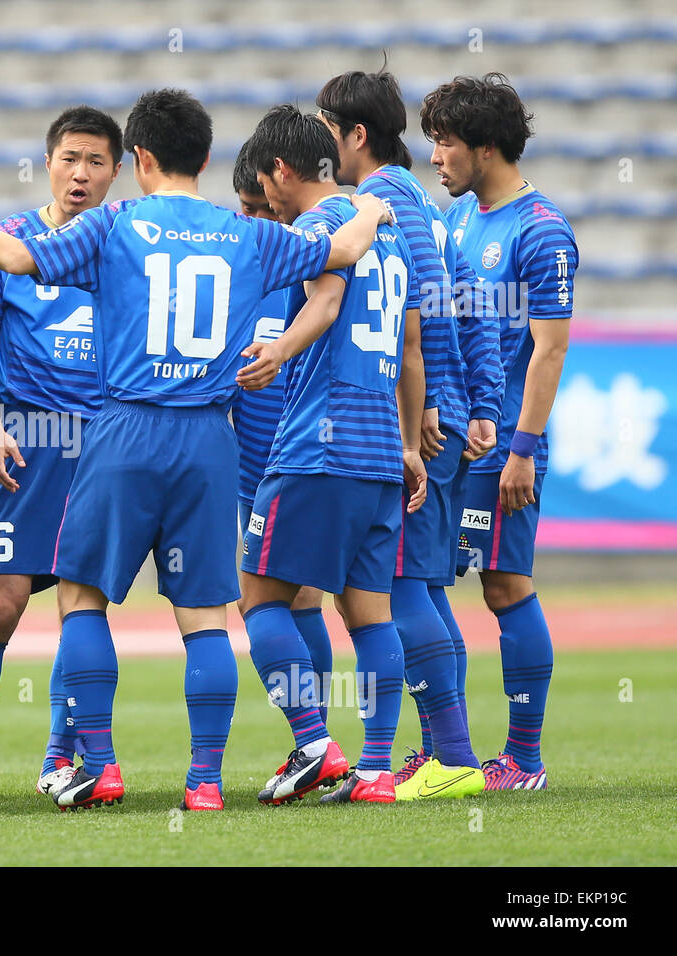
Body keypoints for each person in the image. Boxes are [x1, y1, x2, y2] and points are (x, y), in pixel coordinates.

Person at [0, 88, 392, 811]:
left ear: (138, 158)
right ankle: (205, 784)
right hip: (210, 436)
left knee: (82, 600)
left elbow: (15, 256)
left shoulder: (115, 226)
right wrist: (367, 207)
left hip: (122, 429)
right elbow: (344, 251)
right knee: (205, 615)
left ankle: (100, 766)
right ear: (204, 157)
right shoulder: (247, 233)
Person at [316, 69, 506, 801]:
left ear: (355, 135)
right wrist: (481, 401)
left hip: (419, 417)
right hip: (441, 410)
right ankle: (438, 752)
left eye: (328, 128)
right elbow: (471, 299)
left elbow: (422, 311)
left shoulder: (383, 200)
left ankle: (452, 757)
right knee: (420, 583)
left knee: (397, 586)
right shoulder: (425, 203)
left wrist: (425, 409)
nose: (322, 142)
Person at [238, 105, 426, 805]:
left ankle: (314, 742)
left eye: (266, 186)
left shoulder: (320, 227)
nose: (269, 203)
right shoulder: (390, 236)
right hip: (379, 451)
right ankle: (376, 771)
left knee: (259, 596)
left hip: (320, 445)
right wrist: (409, 444)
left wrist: (277, 352)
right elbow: (410, 350)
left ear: (282, 172)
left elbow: (324, 299)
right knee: (369, 614)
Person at [0, 105, 123, 803]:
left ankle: (61, 759)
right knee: (1, 600)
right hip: (24, 442)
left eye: (97, 162)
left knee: (84, 602)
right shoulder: (9, 240)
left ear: (117, 171)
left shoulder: (122, 246)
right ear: (49, 162)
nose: (81, 174)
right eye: (70, 158)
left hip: (101, 444)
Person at [421, 73, 578, 791]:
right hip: (456, 440)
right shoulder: (457, 223)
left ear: (485, 147)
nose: (435, 158)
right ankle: (445, 751)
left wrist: (522, 450)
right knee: (424, 583)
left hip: (504, 447)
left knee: (506, 585)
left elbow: (549, 349)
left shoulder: (540, 230)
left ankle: (525, 760)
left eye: (445, 143)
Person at [229, 144, 334, 736]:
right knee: (296, 603)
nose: (254, 224)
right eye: (244, 210)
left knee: (282, 602)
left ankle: (315, 740)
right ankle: (321, 742)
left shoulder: (313, 269)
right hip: (253, 468)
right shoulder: (239, 271)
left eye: (261, 209)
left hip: (300, 456)